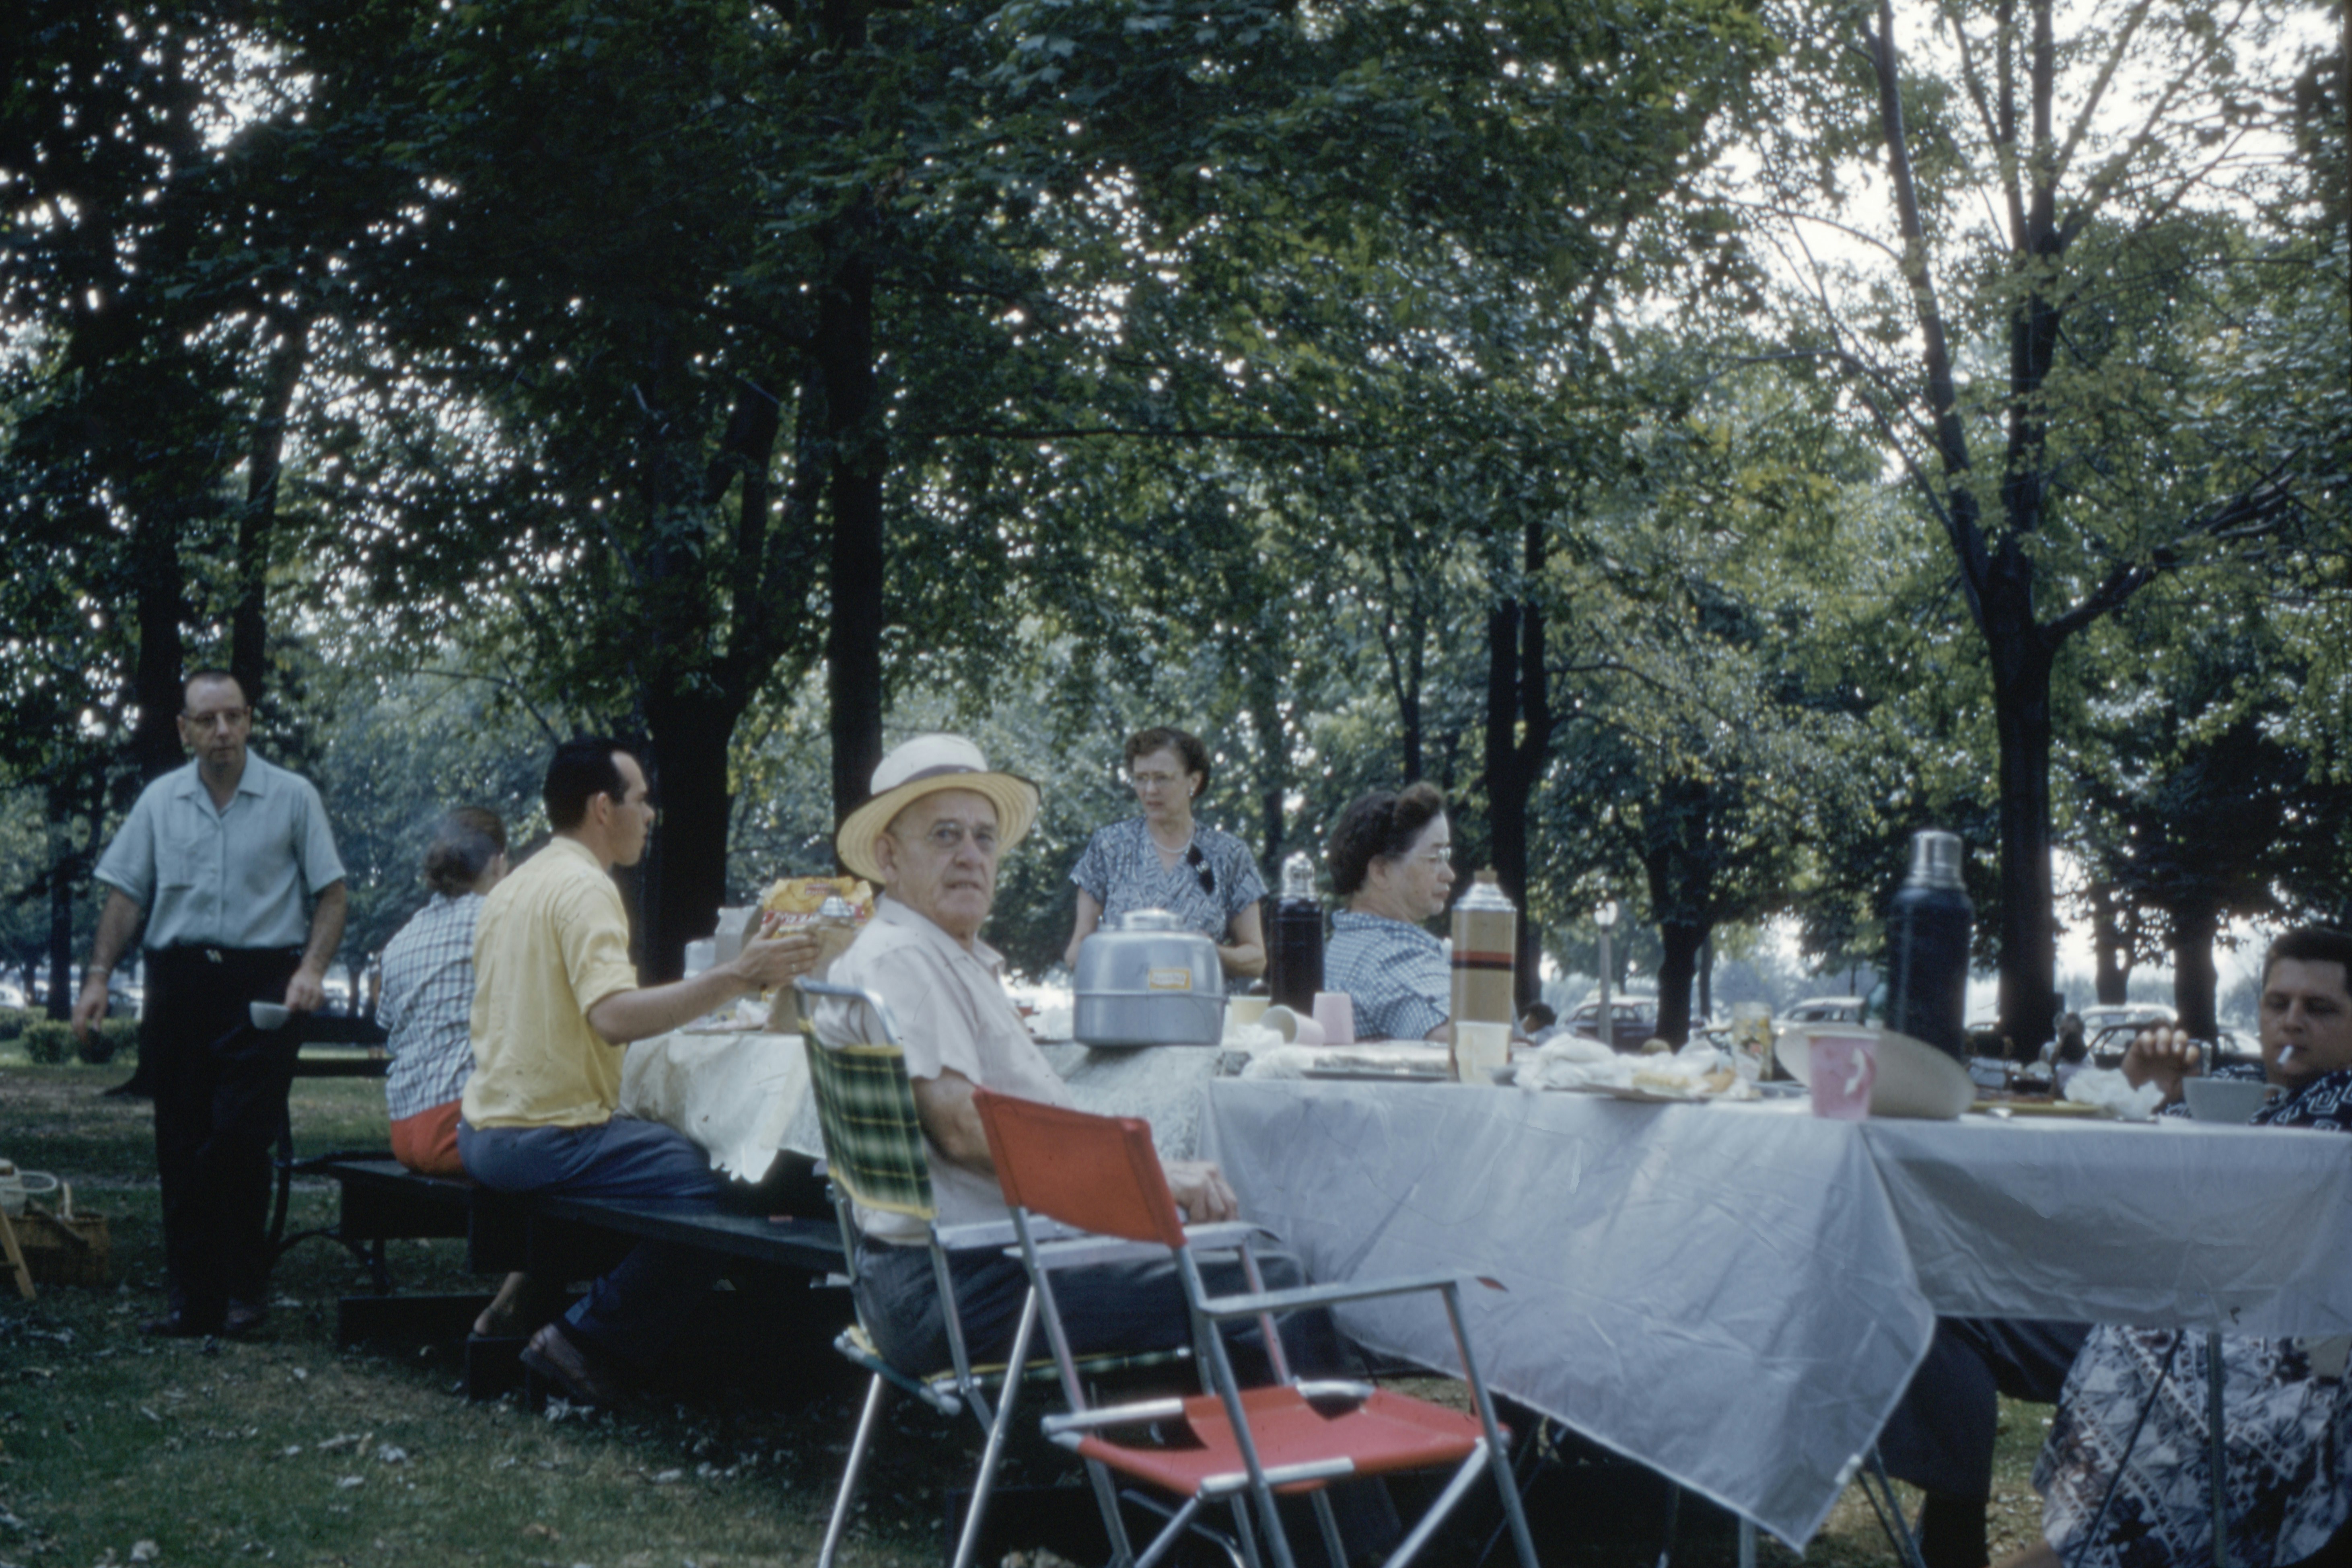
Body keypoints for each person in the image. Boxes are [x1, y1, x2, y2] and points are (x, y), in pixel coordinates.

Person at [815, 733, 1347, 1383]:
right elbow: (963, 1128)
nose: (970, 856)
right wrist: (1145, 1173)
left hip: (935, 1274)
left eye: (985, 838)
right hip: (960, 1283)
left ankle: (1202, 1474)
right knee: (1261, 1272)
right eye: (945, 835)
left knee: (1229, 1249)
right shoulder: (905, 958)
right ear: (887, 856)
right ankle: (1331, 1474)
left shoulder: (915, 951)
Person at [457, 737, 820, 1405]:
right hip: (543, 1135)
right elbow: (615, 1017)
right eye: (642, 798)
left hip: (484, 1127)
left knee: (669, 1155)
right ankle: (588, 1341)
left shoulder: (515, 886)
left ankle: (529, 1306)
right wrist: (738, 975)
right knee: (721, 1186)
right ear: (603, 807)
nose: (651, 813)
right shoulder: (586, 887)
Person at [1994, 926, 2352, 1568]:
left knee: (2092, 1535)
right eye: (2276, 1004)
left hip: (2268, 1352)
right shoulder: (2228, 1093)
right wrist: (2138, 1094)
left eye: (2318, 1008)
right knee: (1954, 1318)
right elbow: (2095, 1188)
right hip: (2131, 1314)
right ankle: (1947, 1535)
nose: (2290, 1022)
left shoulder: (2344, 1103)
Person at [74, 669, 348, 1339]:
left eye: (233, 717)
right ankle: (192, 1300)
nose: (222, 731)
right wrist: (98, 976)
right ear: (185, 729)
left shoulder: (292, 797)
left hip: (263, 984)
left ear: (249, 720)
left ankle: (244, 1293)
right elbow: (126, 896)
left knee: (236, 1138)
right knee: (182, 1139)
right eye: (208, 720)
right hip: (180, 984)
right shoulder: (161, 801)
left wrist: (311, 969)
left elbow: (333, 893)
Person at [1063, 726, 1267, 986]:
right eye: (1140, 778)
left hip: (1202, 1017)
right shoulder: (1110, 847)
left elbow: (1256, 960)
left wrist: (1203, 951)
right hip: (1124, 1016)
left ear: (1193, 781)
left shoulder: (1229, 854)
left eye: (1161, 778)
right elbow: (1076, 952)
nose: (1149, 790)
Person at [378, 809, 508, 1178]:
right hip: (460, 1129)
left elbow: (386, 1019)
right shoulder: (498, 917)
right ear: (499, 864)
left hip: (403, 1131)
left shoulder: (402, 939)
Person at [1320, 782, 1455, 1040]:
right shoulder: (1392, 955)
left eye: (1446, 856)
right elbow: (1467, 1040)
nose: (1450, 874)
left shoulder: (1350, 943)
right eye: (1435, 857)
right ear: (1381, 872)